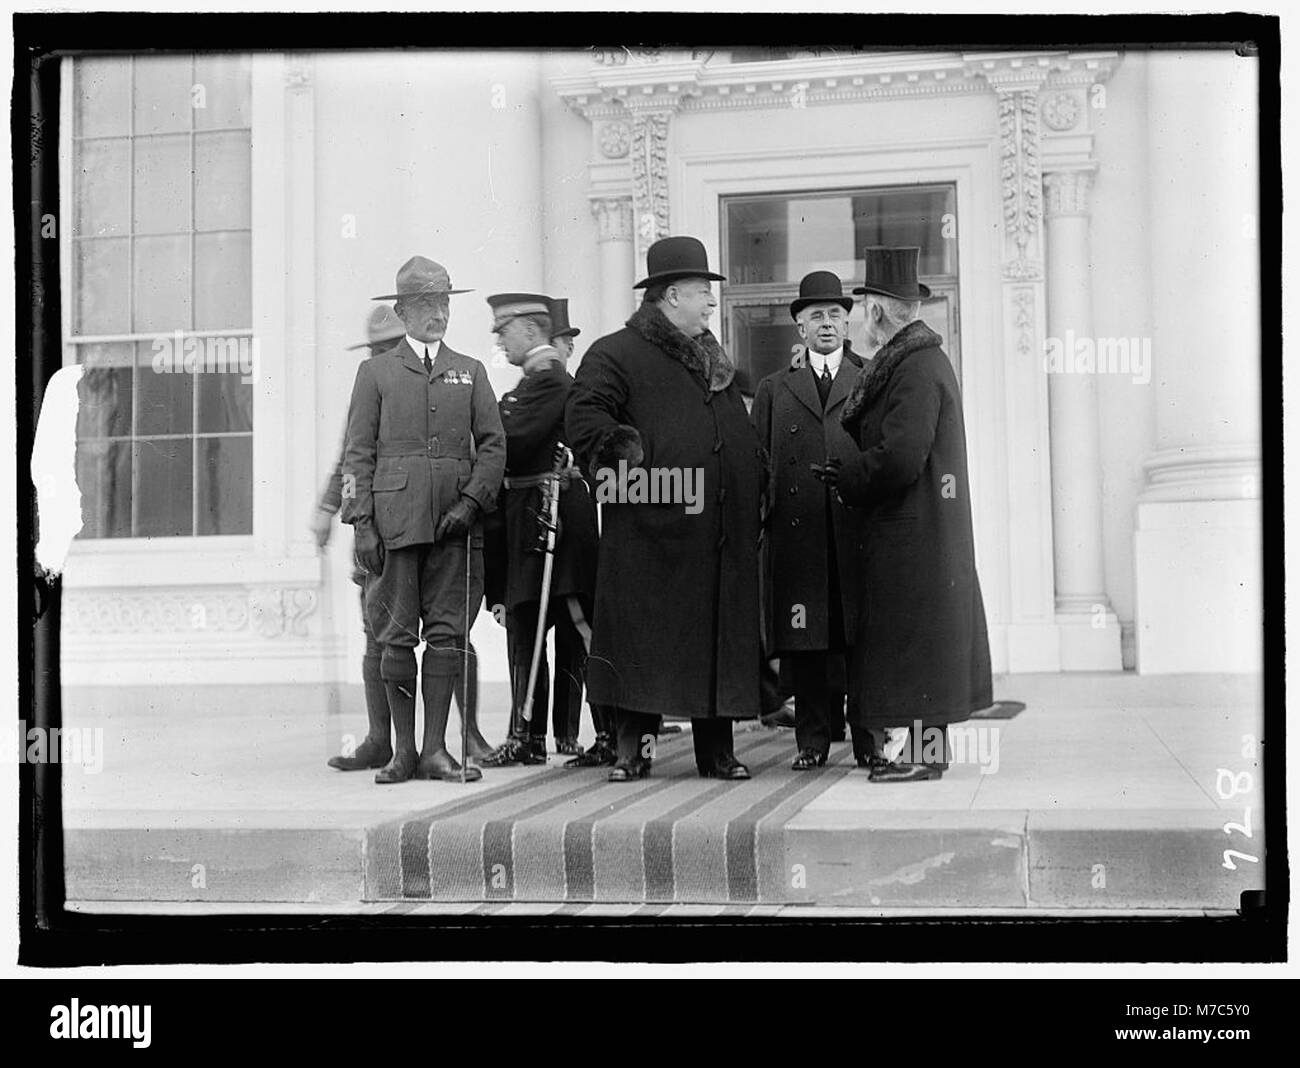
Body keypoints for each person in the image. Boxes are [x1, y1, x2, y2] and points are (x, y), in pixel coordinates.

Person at [566, 236, 765, 782]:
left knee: (712, 645)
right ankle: (632, 752)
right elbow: (585, 421)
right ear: (671, 295)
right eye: (703, 292)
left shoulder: (711, 357)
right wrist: (635, 471)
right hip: (651, 532)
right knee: (642, 644)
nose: (710, 303)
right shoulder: (614, 353)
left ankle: (717, 754)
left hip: (716, 534)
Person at [814, 247, 992, 782]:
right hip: (920, 532)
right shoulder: (920, 362)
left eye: (863, 303)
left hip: (915, 535)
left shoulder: (914, 367)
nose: (857, 318)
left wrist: (850, 479)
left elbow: (901, 456)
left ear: (877, 312)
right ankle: (924, 753)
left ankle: (924, 757)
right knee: (924, 646)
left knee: (920, 649)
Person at [342, 256, 506, 784]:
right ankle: (403, 752)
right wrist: (363, 524)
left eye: (444, 303)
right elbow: (357, 453)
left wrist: (472, 504)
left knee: (447, 635)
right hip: (394, 527)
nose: (438, 313)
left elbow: (494, 446)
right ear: (402, 311)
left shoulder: (471, 371)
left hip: (455, 529)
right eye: (425, 304)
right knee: (393, 637)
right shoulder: (376, 373)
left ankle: (437, 751)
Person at [477, 293, 606, 768]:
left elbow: (507, 440)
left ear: (531, 332)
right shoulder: (529, 386)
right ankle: (526, 736)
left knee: (580, 628)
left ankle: (610, 732)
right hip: (530, 521)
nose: (499, 339)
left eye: (504, 330)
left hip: (557, 524)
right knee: (525, 629)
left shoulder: (551, 383)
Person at [751, 271, 864, 770]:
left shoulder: (868, 377)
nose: (826, 324)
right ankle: (812, 743)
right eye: (815, 316)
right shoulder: (775, 389)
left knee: (857, 640)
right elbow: (757, 461)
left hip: (852, 530)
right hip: (797, 537)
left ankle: (870, 742)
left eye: (835, 315)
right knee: (807, 643)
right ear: (799, 328)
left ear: (846, 322)